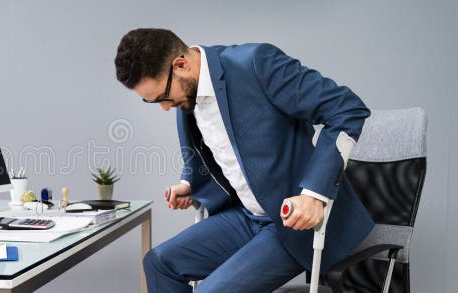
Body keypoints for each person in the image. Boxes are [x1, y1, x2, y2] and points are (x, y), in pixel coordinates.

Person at [114, 28, 374, 292]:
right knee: (158, 263)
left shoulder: (255, 63)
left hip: (291, 222)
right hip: (246, 217)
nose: (165, 108)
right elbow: (221, 148)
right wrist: (190, 183)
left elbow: (347, 108)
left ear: (180, 65)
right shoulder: (186, 95)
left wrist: (314, 194)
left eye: (162, 97)